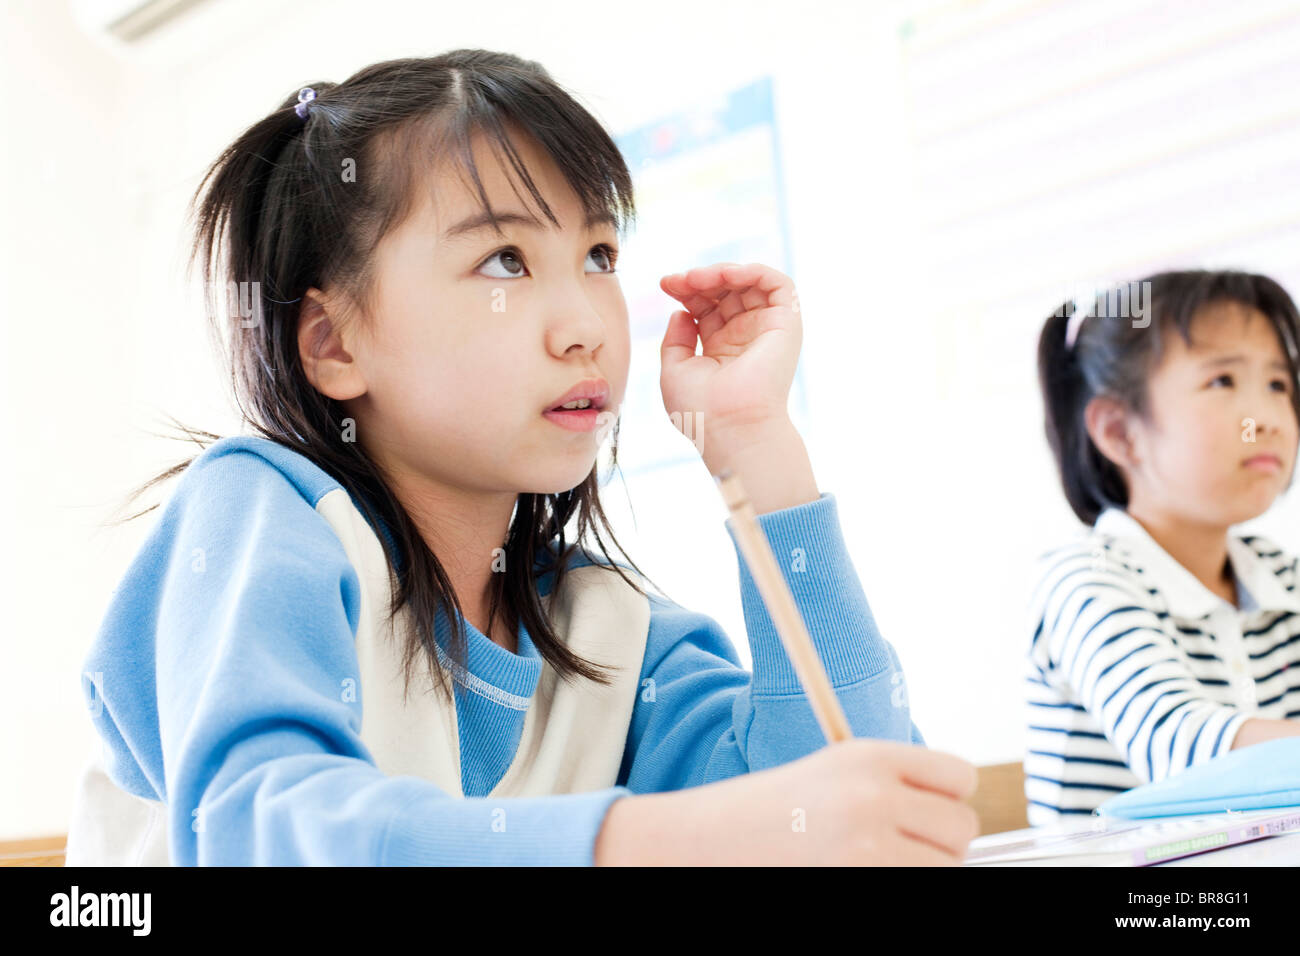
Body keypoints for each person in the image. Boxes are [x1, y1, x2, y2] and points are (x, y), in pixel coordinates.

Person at [66, 50, 977, 865]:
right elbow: (263, 831)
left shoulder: (608, 629)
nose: (587, 324)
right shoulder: (263, 517)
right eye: (504, 260)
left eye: (598, 252)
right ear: (334, 343)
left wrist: (758, 449)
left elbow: (851, 811)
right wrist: (656, 841)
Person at [1026, 270, 1300, 823]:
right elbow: (1177, 743)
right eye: (1223, 381)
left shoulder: (1281, 576)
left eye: (1278, 384)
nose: (1268, 419)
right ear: (1120, 433)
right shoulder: (1086, 577)